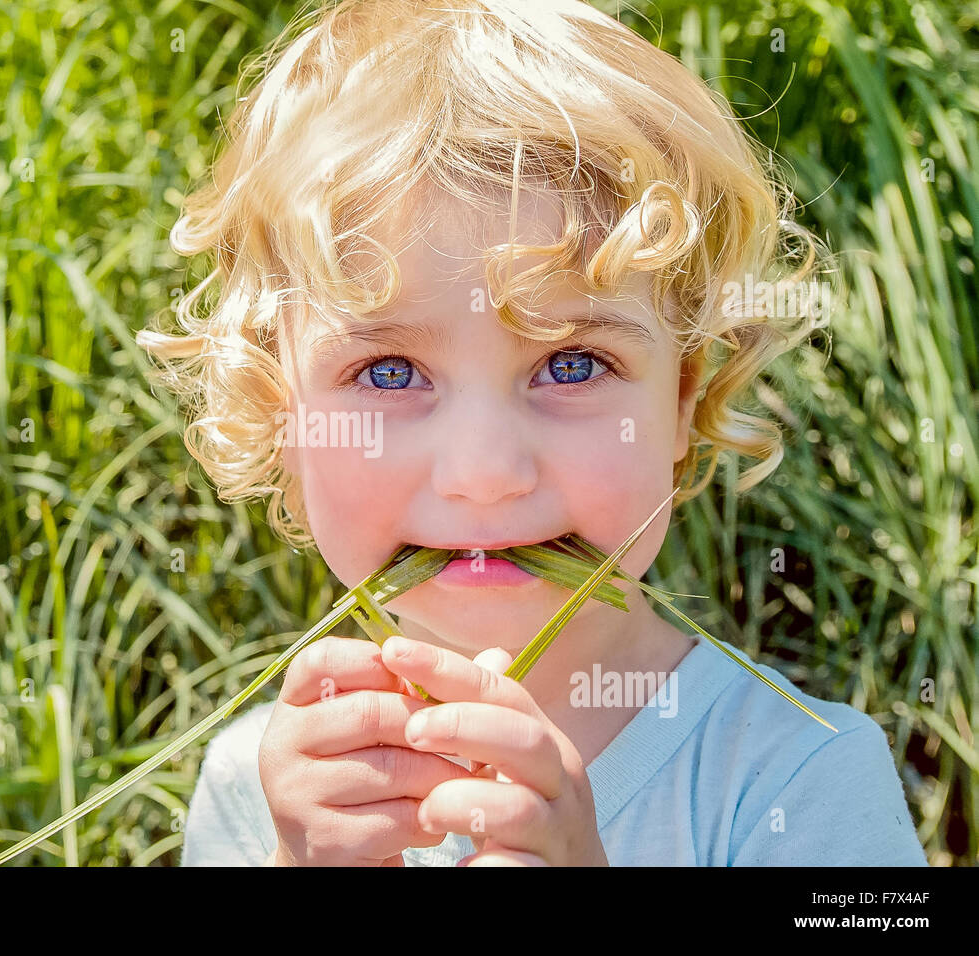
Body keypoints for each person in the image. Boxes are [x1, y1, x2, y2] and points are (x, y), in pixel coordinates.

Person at [136, 0, 926, 866]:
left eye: (573, 365)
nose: (485, 474)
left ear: (682, 399)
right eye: (389, 374)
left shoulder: (799, 781)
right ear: (284, 416)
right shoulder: (262, 789)